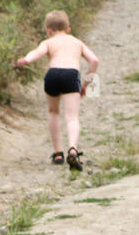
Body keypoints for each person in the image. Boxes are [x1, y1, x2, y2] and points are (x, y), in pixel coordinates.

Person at [16, 10, 99, 170]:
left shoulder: (48, 42)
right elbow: (94, 60)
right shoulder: (77, 42)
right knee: (72, 117)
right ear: (68, 29)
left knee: (53, 112)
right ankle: (73, 150)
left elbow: (36, 54)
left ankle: (58, 153)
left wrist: (25, 60)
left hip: (52, 74)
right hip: (71, 74)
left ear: (48, 31)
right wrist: (86, 84)